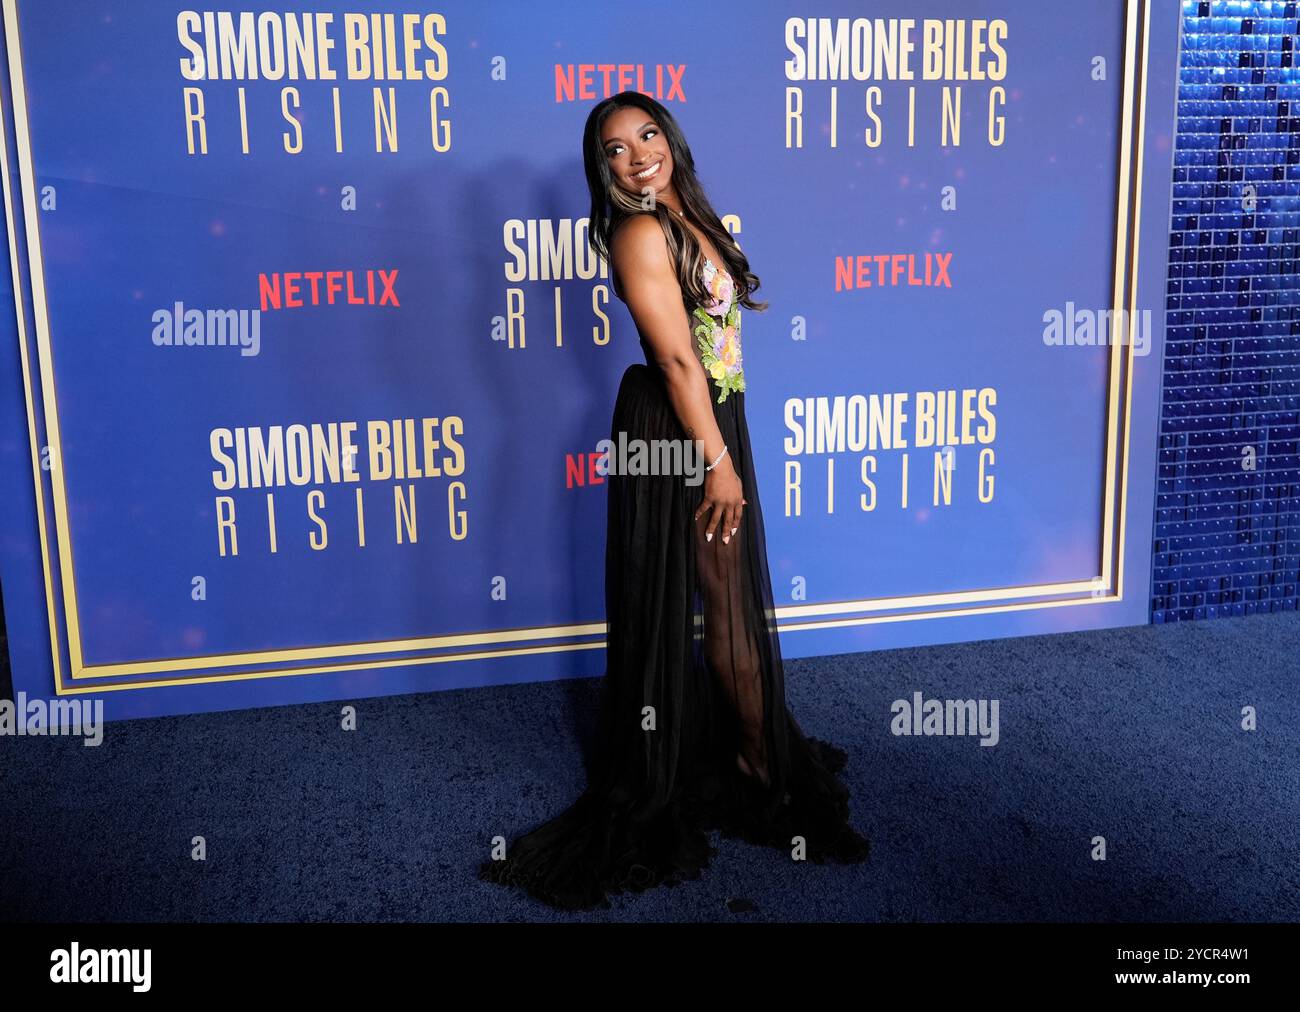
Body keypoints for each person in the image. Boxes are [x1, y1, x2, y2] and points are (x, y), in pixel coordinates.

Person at [478, 91, 869, 911]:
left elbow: (715, 347)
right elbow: (678, 360)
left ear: (670, 139)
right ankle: (760, 770)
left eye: (646, 134)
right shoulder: (638, 231)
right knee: (723, 603)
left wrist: (724, 440)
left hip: (710, 420)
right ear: (602, 169)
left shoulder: (682, 209)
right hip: (680, 430)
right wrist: (718, 463)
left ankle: (755, 754)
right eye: (614, 148)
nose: (636, 154)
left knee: (726, 596)